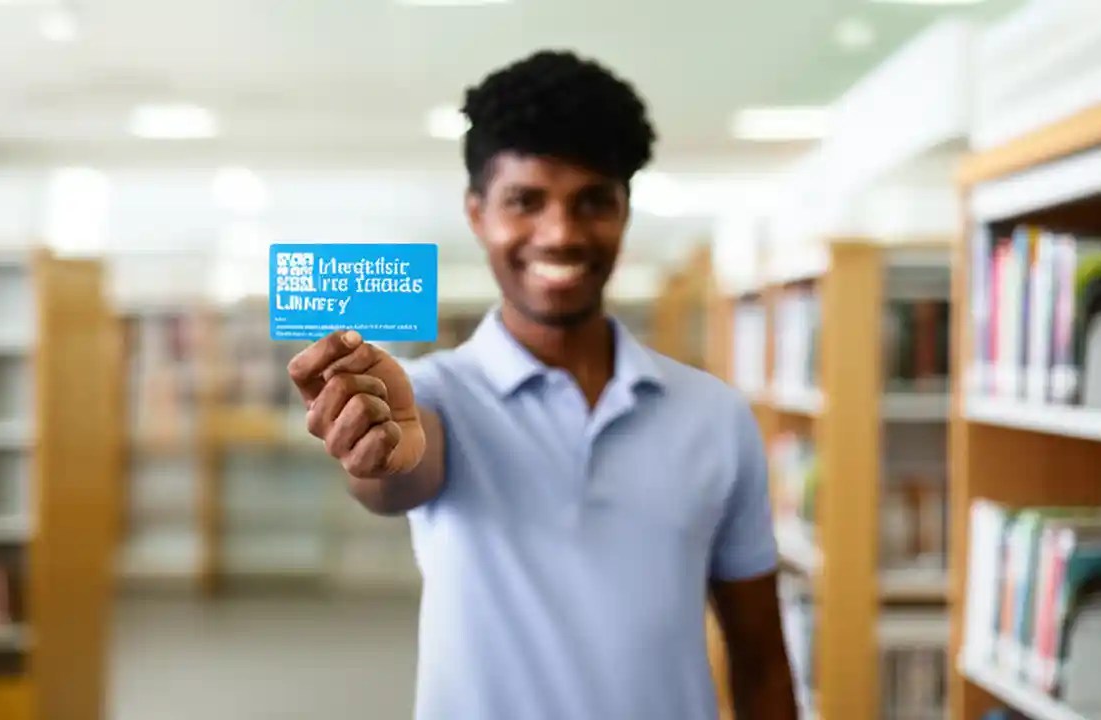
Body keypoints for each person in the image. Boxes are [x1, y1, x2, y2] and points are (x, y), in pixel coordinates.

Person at [287, 49, 797, 720]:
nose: (560, 234)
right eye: (525, 202)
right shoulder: (433, 394)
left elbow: (760, 658)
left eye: (593, 202)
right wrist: (379, 451)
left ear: (625, 211)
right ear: (477, 214)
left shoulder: (715, 416)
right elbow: (401, 474)